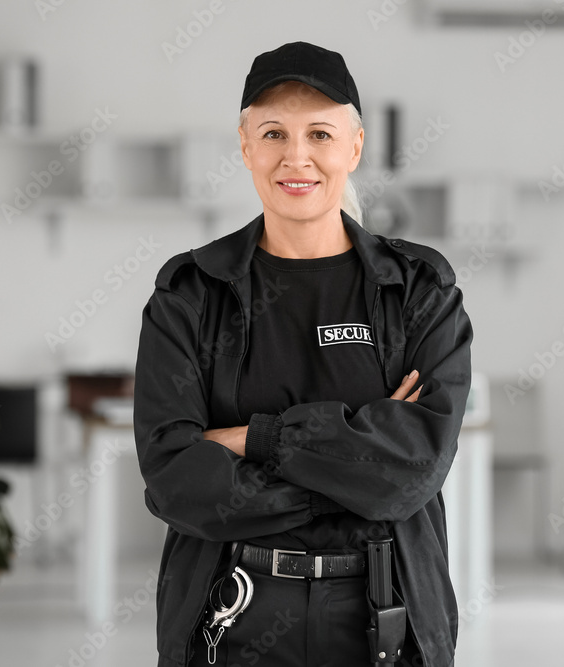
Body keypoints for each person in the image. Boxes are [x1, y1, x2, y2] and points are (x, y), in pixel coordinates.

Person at [133, 41, 473, 667]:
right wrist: (355, 471)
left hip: (384, 619)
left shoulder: (419, 290)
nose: (297, 156)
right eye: (273, 133)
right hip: (230, 616)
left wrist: (249, 439)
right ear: (245, 146)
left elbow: (414, 469)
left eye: (320, 132)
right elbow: (174, 479)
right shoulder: (190, 293)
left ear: (354, 146)